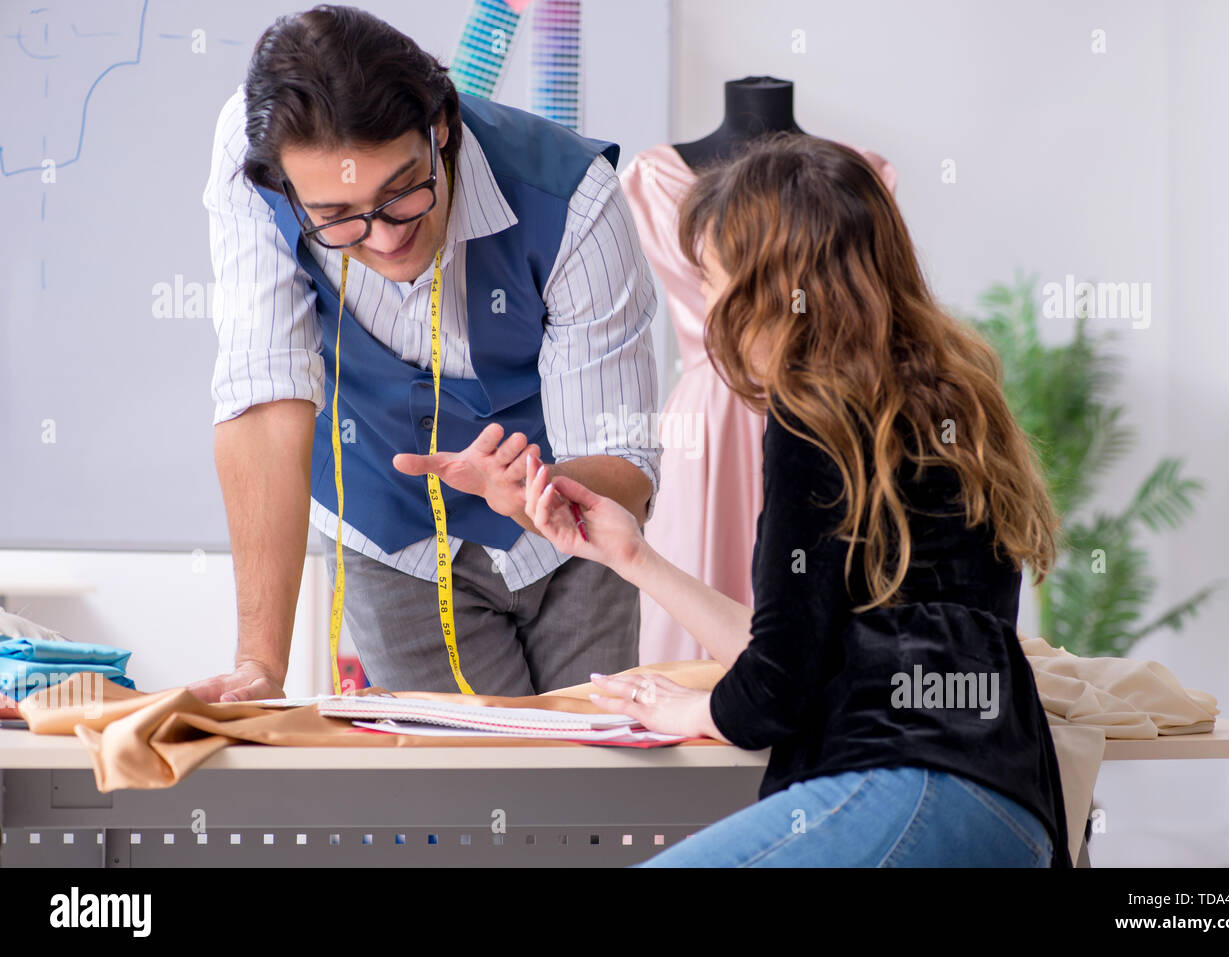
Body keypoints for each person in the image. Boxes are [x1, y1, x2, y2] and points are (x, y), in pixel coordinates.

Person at [517, 133, 1073, 867]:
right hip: (1008, 807)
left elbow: (776, 688)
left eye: (713, 278)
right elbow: (806, 650)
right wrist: (632, 556)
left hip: (910, 786)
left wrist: (689, 708)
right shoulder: (950, 399)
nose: (710, 304)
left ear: (773, 288)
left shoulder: (814, 413)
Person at [187, 6, 659, 704]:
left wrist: (536, 493)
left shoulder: (575, 200)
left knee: (588, 777)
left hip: (573, 536)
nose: (380, 240)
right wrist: (261, 663)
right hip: (390, 531)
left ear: (440, 130)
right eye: (339, 217)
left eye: (401, 193)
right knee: (464, 791)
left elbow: (627, 464)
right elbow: (264, 393)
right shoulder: (256, 158)